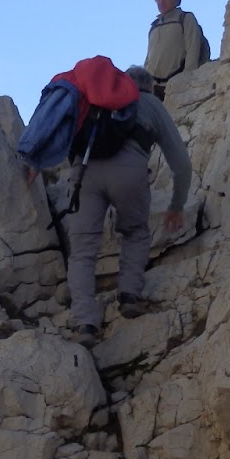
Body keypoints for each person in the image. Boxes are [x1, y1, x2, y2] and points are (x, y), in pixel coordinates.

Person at [64, 64, 192, 343]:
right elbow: (181, 164)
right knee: (134, 232)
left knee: (82, 252)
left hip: (84, 172)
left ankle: (85, 323)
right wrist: (176, 204)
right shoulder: (150, 103)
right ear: (148, 87)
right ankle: (130, 296)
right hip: (129, 171)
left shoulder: (96, 98)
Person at [144, 0, 209, 100]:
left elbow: (193, 47)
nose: (161, 2)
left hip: (176, 83)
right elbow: (149, 57)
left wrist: (188, 77)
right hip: (153, 87)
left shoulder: (185, 19)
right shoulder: (154, 25)